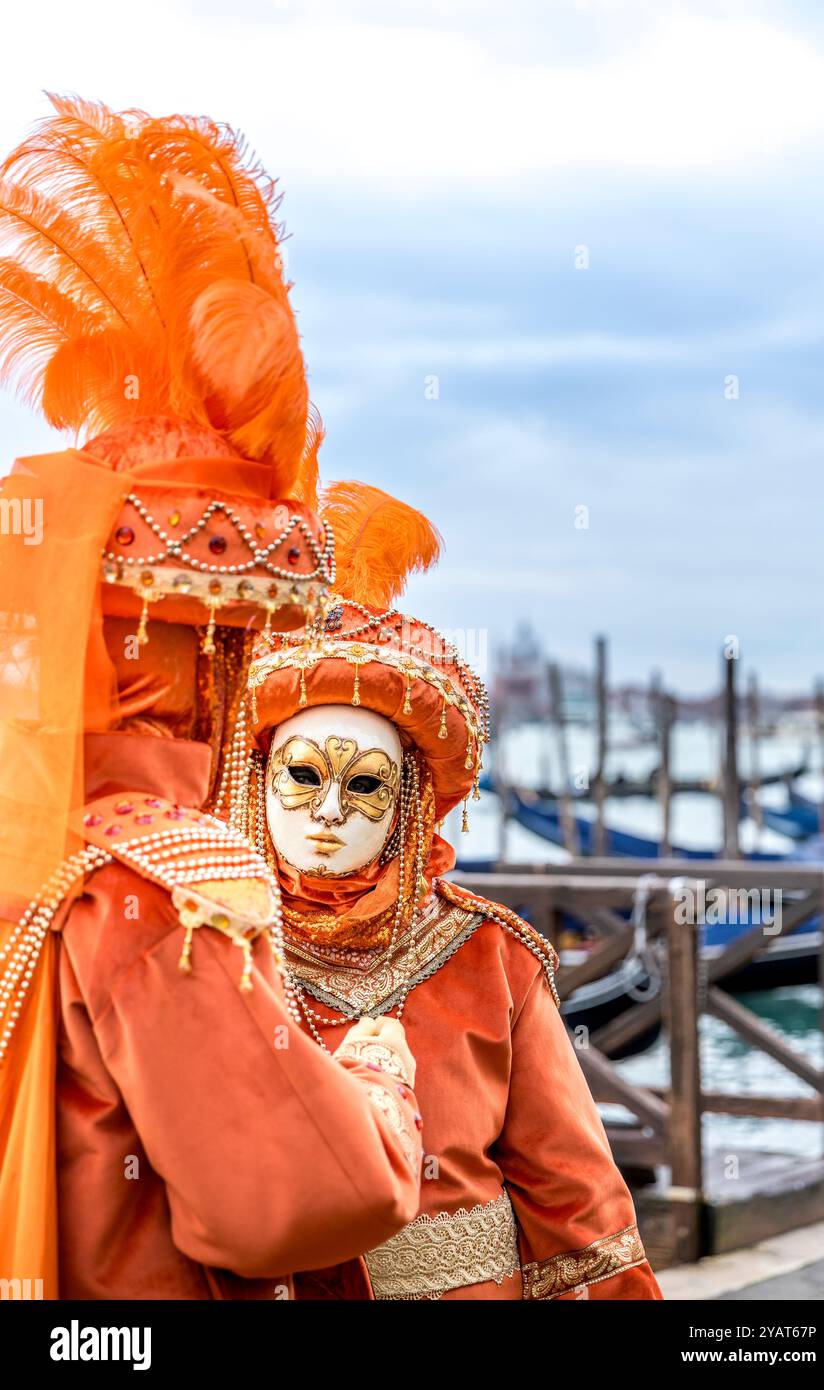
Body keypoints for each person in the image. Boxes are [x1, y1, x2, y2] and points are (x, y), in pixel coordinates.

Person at [0, 97, 422, 1300]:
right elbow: (288, 1200)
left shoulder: (34, 852)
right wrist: (377, 1082)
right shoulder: (169, 879)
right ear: (212, 653)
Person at [241, 485, 664, 1300]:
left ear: (409, 803)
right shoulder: (210, 949)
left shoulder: (492, 959)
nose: (328, 811)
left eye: (363, 784)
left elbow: (577, 1201)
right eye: (301, 775)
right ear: (255, 779)